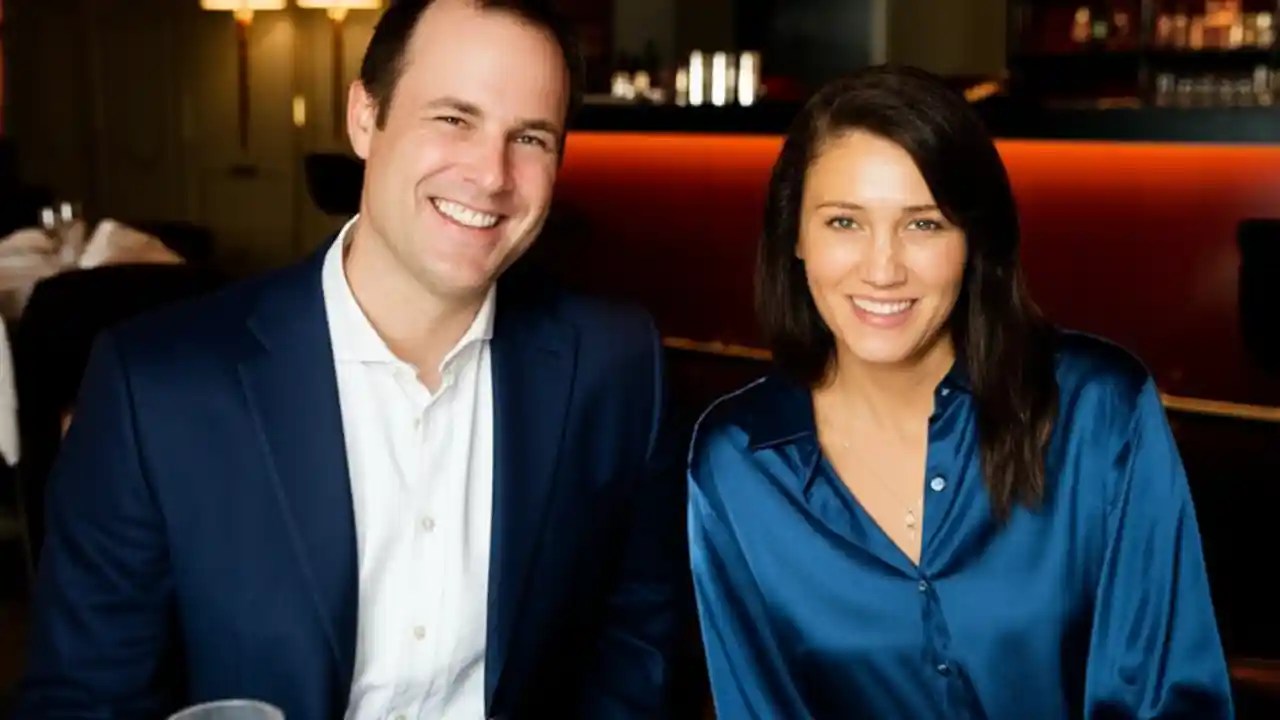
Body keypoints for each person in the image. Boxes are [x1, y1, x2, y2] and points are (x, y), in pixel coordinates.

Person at [17, 1, 684, 718]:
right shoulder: (154, 388)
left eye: (530, 137)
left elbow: (638, 642)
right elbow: (83, 699)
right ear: (365, 118)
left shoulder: (616, 365)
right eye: (454, 118)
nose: (492, 175)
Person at [686, 65, 1234, 719]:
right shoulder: (739, 461)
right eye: (843, 223)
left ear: (973, 240)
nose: (882, 268)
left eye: (923, 225)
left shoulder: (1097, 411)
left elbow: (1166, 698)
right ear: (795, 237)